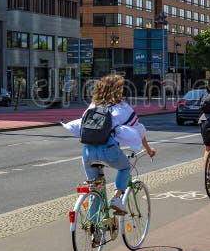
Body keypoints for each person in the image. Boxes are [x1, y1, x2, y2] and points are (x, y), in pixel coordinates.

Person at [63, 74, 156, 215]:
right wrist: (149, 150)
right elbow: (139, 130)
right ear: (117, 90)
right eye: (121, 88)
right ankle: (117, 199)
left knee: (96, 188)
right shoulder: (122, 107)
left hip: (87, 151)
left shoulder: (93, 105)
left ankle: (94, 228)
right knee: (125, 168)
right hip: (108, 149)